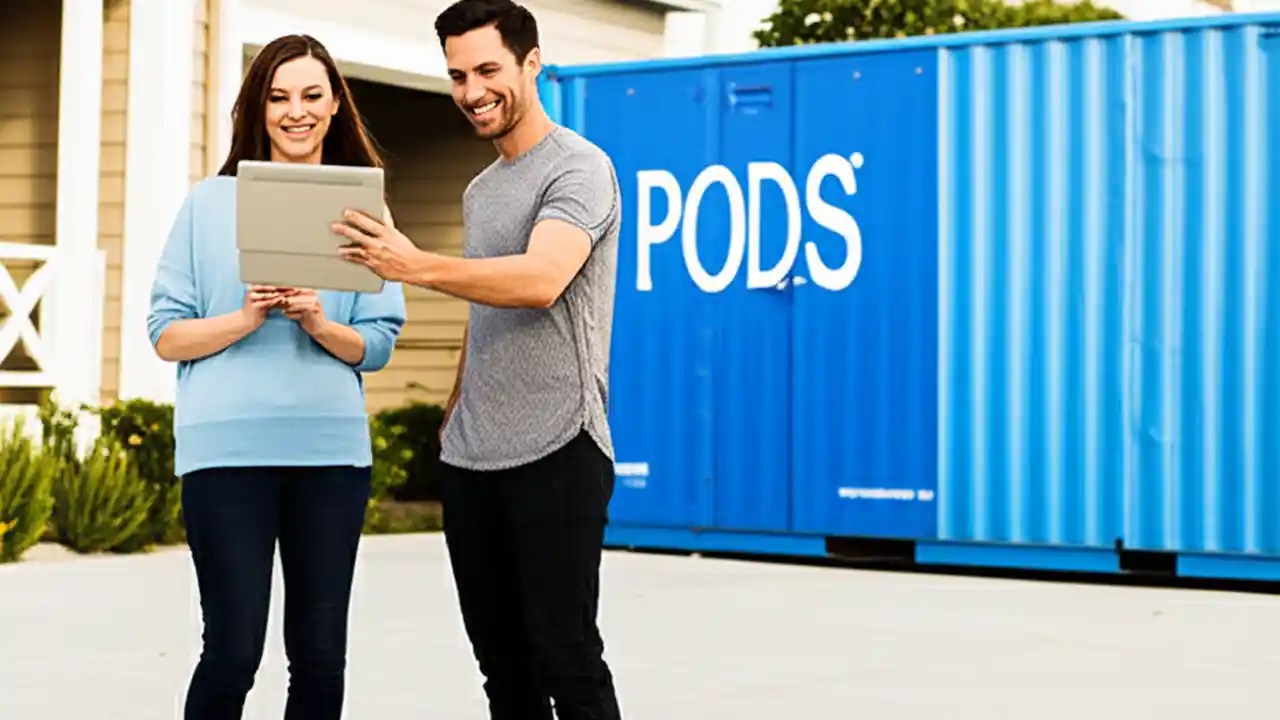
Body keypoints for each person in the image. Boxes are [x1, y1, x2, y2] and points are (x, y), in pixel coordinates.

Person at [333, 1, 623, 717]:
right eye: (458, 75)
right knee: (503, 672)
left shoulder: (581, 168)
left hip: (558, 447)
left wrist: (412, 263)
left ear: (532, 63)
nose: (471, 91)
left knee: (569, 659)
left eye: (488, 69)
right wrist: (454, 411)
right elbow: (483, 308)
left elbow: (537, 281)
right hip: (472, 459)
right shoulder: (480, 190)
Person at [146, 34, 406, 720]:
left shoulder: (366, 212)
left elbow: (378, 344)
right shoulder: (206, 205)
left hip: (329, 458)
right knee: (232, 650)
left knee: (320, 655)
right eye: (278, 96)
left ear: (334, 105)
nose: (297, 111)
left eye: (312, 95)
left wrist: (319, 321)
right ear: (257, 109)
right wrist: (245, 317)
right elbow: (165, 335)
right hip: (225, 456)